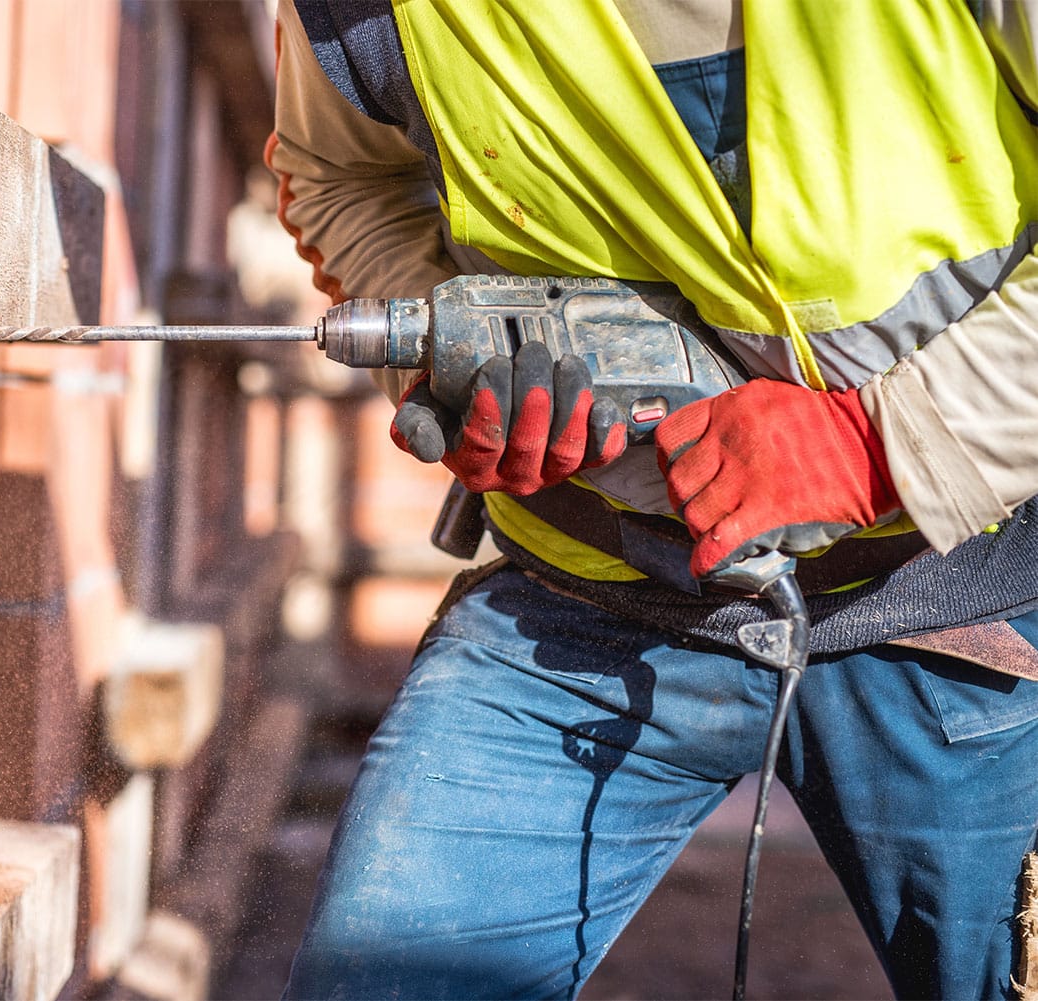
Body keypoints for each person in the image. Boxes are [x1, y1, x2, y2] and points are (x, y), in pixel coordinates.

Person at [265, 2, 1038, 998]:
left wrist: (887, 440)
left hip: (964, 602)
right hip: (587, 603)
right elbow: (337, 177)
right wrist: (446, 356)